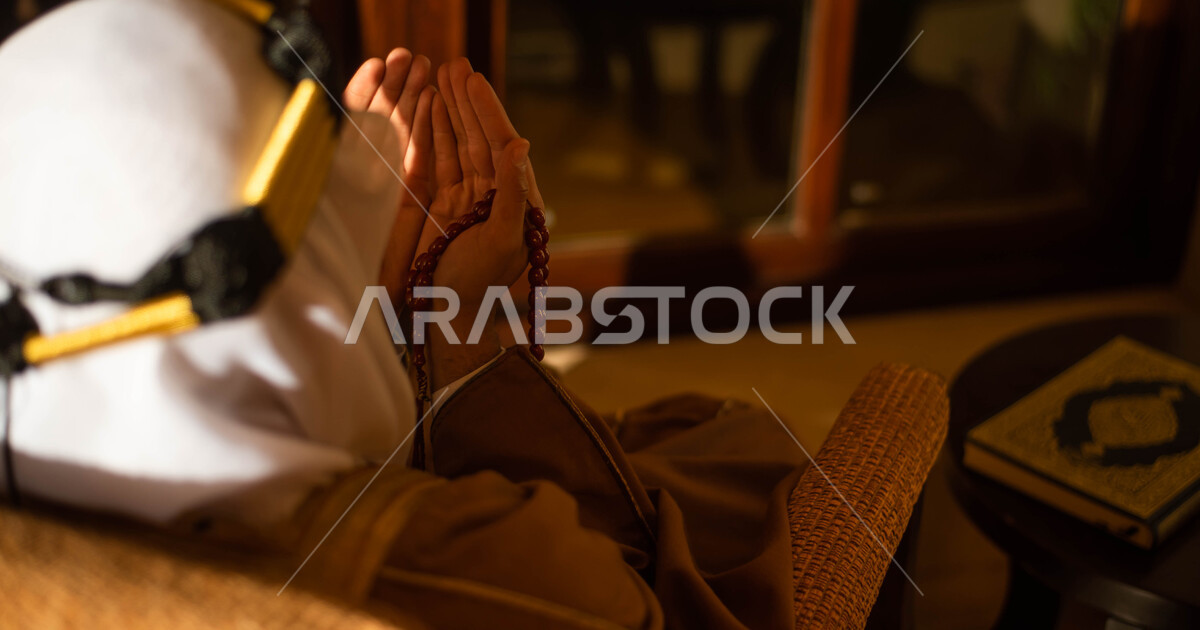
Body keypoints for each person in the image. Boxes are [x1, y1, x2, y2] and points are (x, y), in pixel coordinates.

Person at [0, 1, 808, 627]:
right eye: (333, 222)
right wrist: (470, 343)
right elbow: (636, 600)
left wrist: (386, 324)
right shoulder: (468, 568)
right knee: (752, 456)